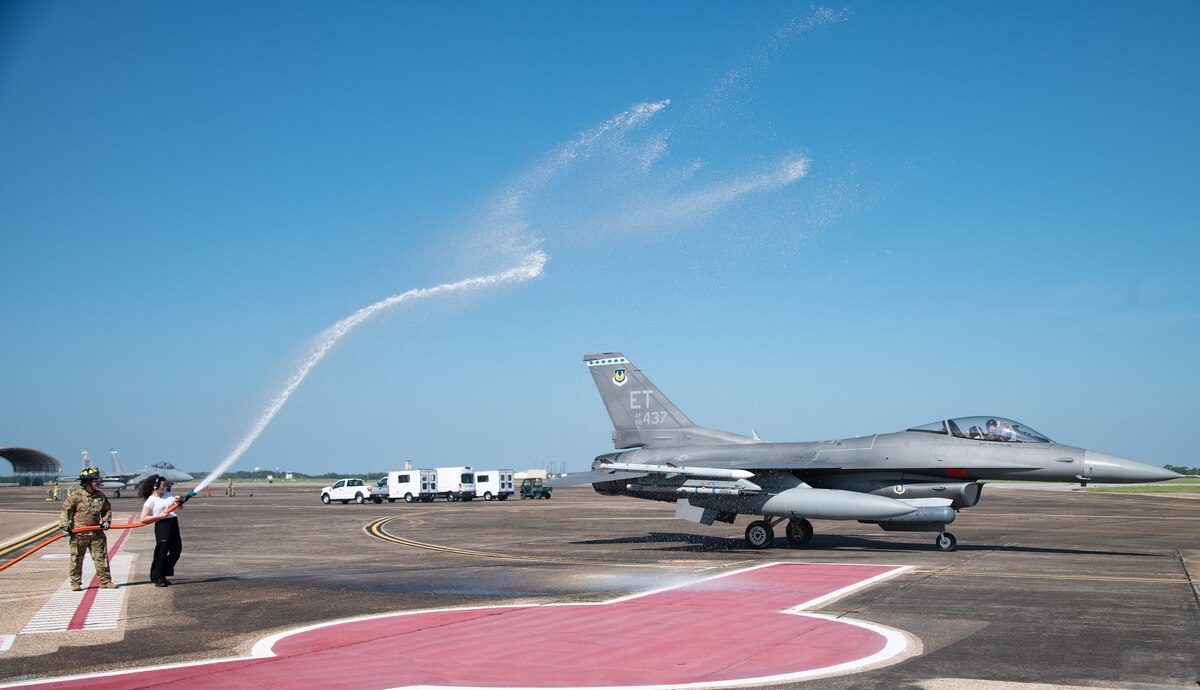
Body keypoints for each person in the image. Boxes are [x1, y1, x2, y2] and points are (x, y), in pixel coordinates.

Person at [58, 467, 117, 591]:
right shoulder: (76, 496)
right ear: (87, 482)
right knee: (76, 558)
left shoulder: (100, 496)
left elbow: (106, 509)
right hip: (79, 534)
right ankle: (75, 582)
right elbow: (66, 511)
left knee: (101, 557)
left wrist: (106, 521)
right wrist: (65, 527)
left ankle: (105, 581)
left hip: (96, 533)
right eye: (96, 481)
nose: (98, 483)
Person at [138, 474, 183, 587]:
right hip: (162, 525)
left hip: (173, 522)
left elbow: (179, 507)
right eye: (162, 485)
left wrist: (178, 502)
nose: (165, 487)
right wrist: (159, 516)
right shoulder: (151, 500)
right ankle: (158, 576)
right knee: (161, 551)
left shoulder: (168, 495)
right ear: (155, 486)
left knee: (176, 550)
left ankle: (161, 572)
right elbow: (143, 518)